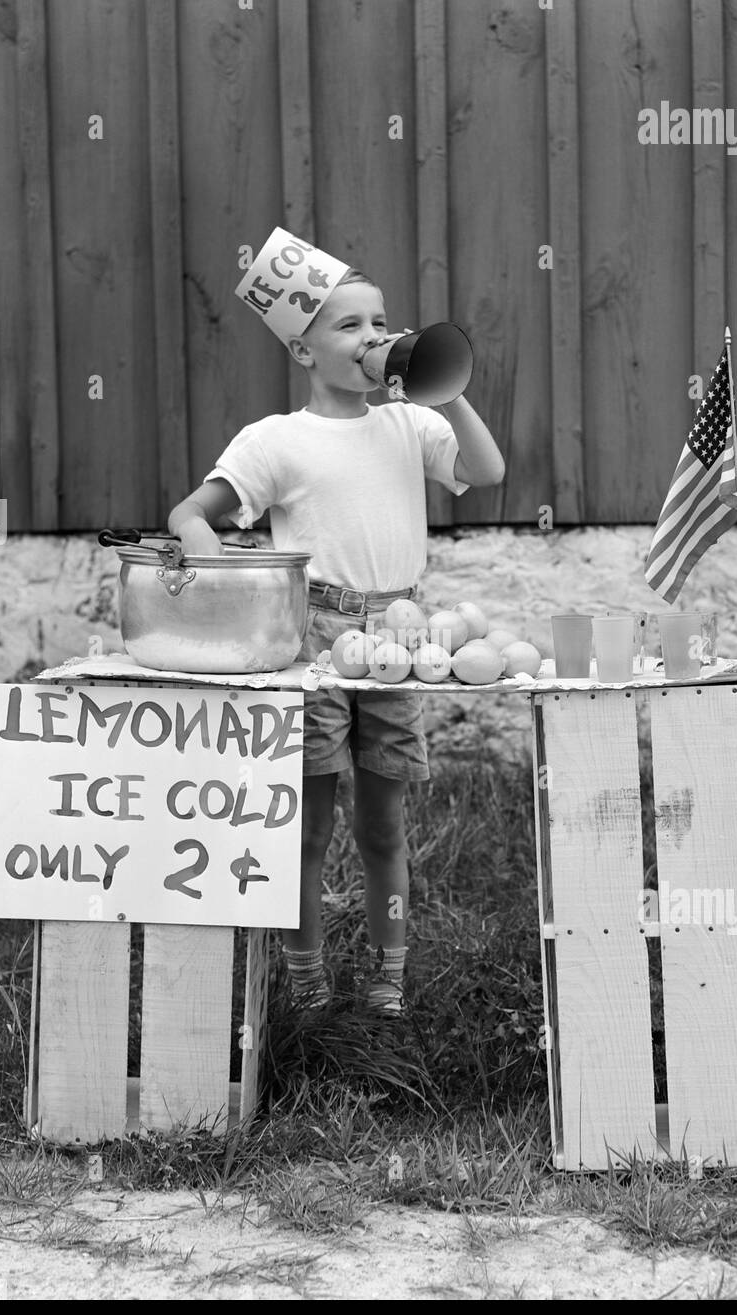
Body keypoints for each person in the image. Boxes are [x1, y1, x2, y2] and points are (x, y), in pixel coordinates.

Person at [167, 267, 504, 1013]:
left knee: (383, 823)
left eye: (380, 322)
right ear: (304, 351)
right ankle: (307, 980)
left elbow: (487, 470)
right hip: (312, 636)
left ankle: (388, 977)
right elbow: (190, 511)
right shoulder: (276, 440)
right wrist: (203, 546)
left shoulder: (410, 423)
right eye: (349, 326)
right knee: (308, 825)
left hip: (398, 632)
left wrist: (445, 391)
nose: (373, 338)